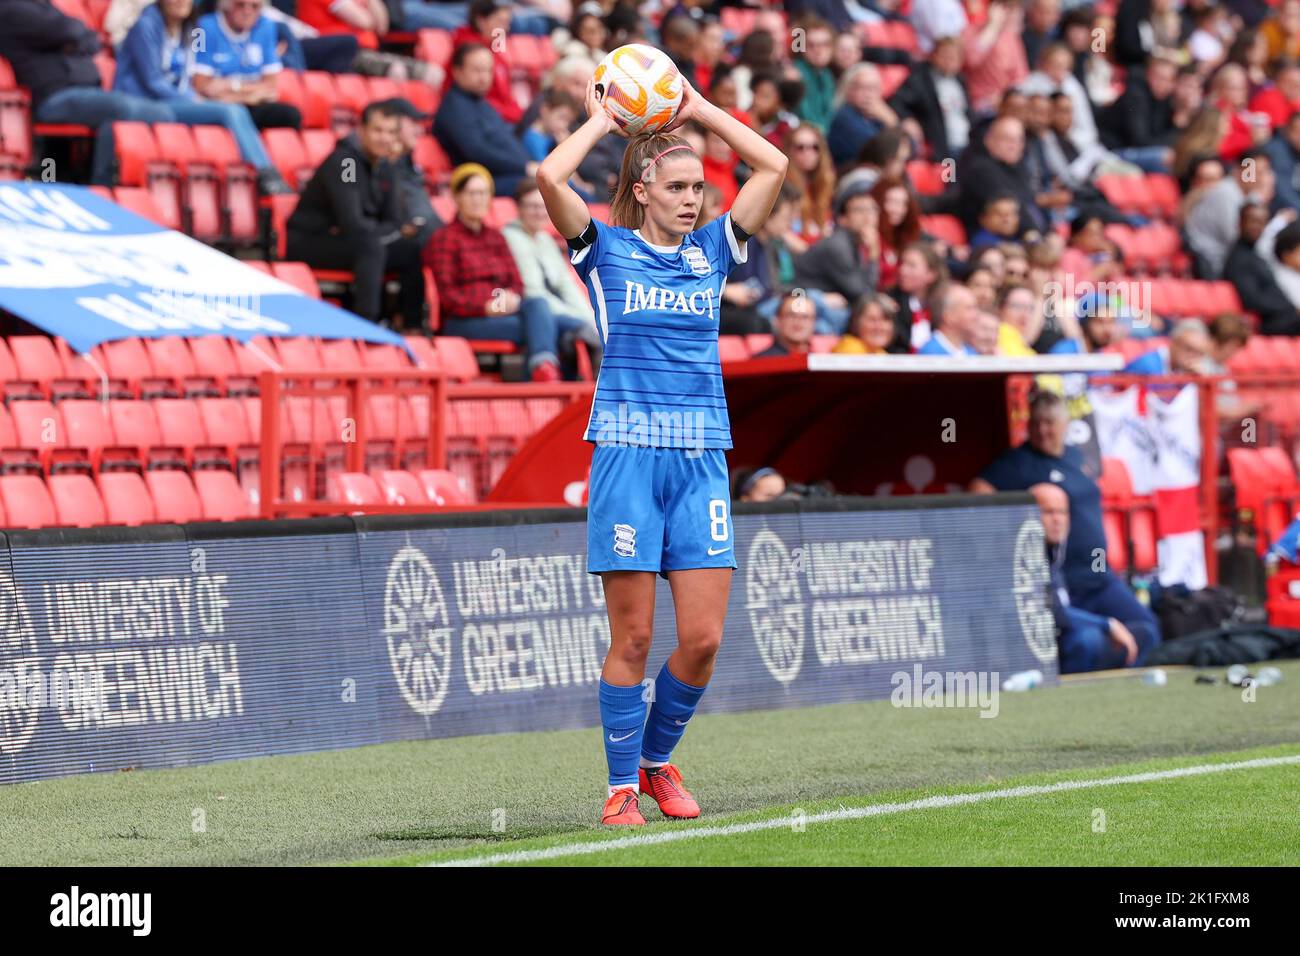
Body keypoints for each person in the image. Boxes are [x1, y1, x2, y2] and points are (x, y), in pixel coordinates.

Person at [535, 68, 787, 826]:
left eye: (699, 188)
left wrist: (699, 109)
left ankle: (655, 760)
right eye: (677, 186)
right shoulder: (602, 251)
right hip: (626, 454)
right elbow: (549, 174)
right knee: (636, 636)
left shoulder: (715, 250)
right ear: (642, 191)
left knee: (704, 639)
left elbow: (772, 165)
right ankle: (619, 788)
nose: (693, 199)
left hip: (702, 455)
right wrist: (609, 123)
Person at [972, 390, 1161, 664]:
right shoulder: (1019, 463)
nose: (1042, 430)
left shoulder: (1075, 456)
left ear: (1065, 425)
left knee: (1148, 628)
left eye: (1049, 423)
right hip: (1066, 580)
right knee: (1087, 642)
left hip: (1099, 575)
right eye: (1035, 423)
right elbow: (978, 493)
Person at [426, 163, 585, 379]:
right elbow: (448, 295)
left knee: (538, 306)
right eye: (471, 193)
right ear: (456, 197)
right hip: (465, 320)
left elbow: (516, 283)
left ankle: (546, 368)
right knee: (548, 327)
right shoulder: (445, 239)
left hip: (505, 313)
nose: (478, 199)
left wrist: (502, 302)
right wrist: (486, 307)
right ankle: (547, 370)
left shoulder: (495, 237)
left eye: (483, 193)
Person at [114, 0, 290, 193]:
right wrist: (193, 99)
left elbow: (190, 74)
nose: (182, 2)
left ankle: (268, 173)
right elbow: (153, 82)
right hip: (149, 102)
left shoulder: (194, 30)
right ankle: (264, 174)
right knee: (231, 111)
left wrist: (199, 95)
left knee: (242, 110)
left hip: (178, 99)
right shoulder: (145, 26)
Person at [0, 0, 174, 185]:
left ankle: (116, 187)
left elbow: (91, 40)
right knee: (123, 108)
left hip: (82, 91)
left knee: (160, 112)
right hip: (52, 99)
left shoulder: (42, 5)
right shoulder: (10, 7)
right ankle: (102, 189)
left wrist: (72, 40)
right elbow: (66, 30)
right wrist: (74, 39)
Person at [286, 101, 424, 328]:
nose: (384, 138)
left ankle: (411, 326)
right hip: (312, 241)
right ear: (362, 131)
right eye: (378, 130)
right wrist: (385, 231)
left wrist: (388, 230)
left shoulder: (384, 165)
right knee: (371, 246)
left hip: (355, 239)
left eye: (390, 132)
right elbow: (351, 220)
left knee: (411, 250)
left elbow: (394, 219)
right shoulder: (347, 162)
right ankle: (366, 326)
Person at [1032, 482, 1145, 673]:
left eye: (1062, 512)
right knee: (1088, 638)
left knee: (1146, 630)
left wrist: (1100, 573)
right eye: (1049, 512)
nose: (1057, 519)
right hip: (1074, 601)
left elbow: (1099, 553)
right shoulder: (1032, 556)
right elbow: (1054, 611)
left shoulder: (1087, 484)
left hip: (1100, 583)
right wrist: (1106, 623)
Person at [501, 177, 601, 375]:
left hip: (555, 309)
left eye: (542, 206)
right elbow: (533, 291)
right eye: (532, 206)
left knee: (591, 328)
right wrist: (580, 319)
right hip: (529, 309)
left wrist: (591, 318)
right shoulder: (509, 237)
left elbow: (565, 285)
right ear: (519, 208)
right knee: (582, 331)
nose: (539, 212)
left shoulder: (545, 239)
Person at [433, 42, 536, 196]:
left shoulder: (480, 102)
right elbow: (477, 151)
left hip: (511, 174)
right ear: (457, 72)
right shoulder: (455, 108)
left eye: (488, 71)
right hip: (483, 181)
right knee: (546, 186)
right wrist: (523, 167)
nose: (484, 77)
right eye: (477, 70)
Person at [191, 0, 302, 133]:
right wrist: (250, 94)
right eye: (240, 5)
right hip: (216, 106)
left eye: (254, 7)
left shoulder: (267, 26)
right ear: (226, 5)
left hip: (242, 103)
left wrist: (230, 88)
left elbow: (270, 87)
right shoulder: (201, 28)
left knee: (290, 115)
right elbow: (200, 85)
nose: (247, 11)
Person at [792, 185, 881, 335]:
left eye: (872, 209)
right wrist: (873, 253)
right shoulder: (837, 246)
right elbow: (862, 294)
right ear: (842, 219)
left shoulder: (853, 243)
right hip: (799, 298)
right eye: (859, 210)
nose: (868, 217)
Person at [887, 36, 971, 163]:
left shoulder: (960, 80)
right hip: (944, 150)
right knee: (950, 179)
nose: (950, 61)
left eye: (954, 57)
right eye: (945, 55)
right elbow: (896, 102)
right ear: (934, 55)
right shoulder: (920, 79)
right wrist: (908, 119)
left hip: (966, 144)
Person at [1224, 201, 1300, 333]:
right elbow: (1251, 299)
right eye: (1253, 221)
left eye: (1262, 222)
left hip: (1287, 317)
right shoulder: (1239, 259)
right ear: (1240, 222)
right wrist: (1289, 307)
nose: (1257, 227)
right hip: (1273, 323)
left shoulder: (1257, 254)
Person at [382, 97, 444, 250]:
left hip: (424, 236)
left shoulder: (407, 161)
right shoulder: (350, 159)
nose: (420, 130)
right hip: (400, 241)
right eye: (413, 123)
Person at [917, 283, 979, 355]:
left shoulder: (971, 352)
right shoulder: (930, 353)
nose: (976, 315)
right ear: (949, 316)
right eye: (969, 308)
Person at [754, 293, 816, 358]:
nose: (798, 321)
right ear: (777, 320)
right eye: (791, 315)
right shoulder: (760, 362)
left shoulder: (823, 361)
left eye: (805, 317)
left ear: (814, 322)